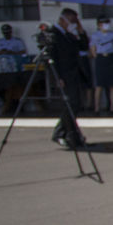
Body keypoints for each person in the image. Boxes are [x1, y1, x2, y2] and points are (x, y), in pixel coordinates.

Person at [45, 8, 89, 149]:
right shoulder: (53, 34)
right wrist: (57, 77)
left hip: (74, 73)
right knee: (70, 104)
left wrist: (81, 30)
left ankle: (67, 133)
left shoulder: (68, 35)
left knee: (76, 104)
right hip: (63, 75)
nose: (73, 24)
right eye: (72, 21)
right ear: (63, 19)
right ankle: (64, 133)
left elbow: (83, 45)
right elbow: (52, 58)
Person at [89, 17, 113, 116]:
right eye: (103, 23)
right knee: (99, 85)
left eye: (107, 23)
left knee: (112, 84)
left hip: (111, 58)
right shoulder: (95, 35)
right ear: (99, 25)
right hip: (100, 58)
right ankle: (97, 108)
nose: (106, 25)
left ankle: (112, 107)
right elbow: (93, 48)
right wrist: (96, 56)